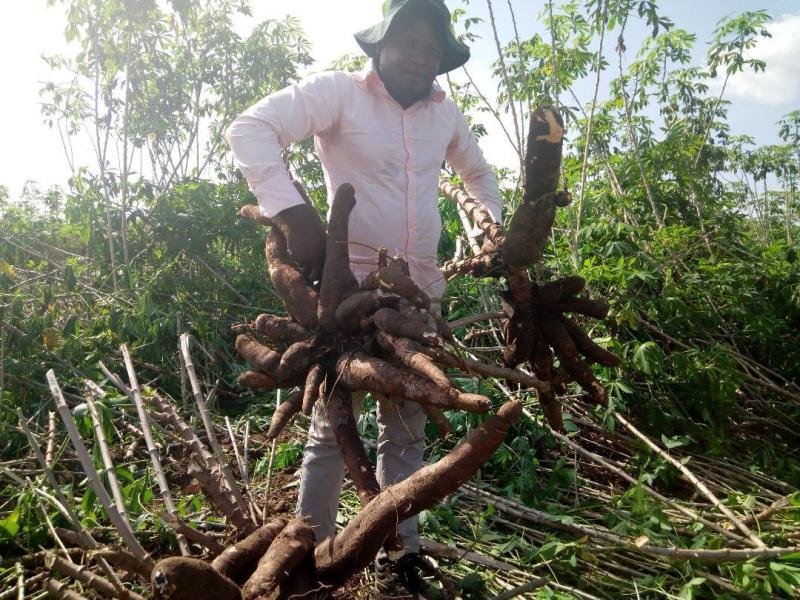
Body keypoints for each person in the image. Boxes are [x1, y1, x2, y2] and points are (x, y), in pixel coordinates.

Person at [226, 0, 502, 595]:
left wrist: (488, 229)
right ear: (380, 46)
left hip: (417, 297)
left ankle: (401, 551)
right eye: (408, 40)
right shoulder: (339, 94)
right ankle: (310, 551)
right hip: (344, 300)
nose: (421, 54)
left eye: (433, 46)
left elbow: (478, 177)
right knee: (332, 430)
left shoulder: (445, 116)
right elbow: (250, 128)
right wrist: (295, 214)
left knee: (406, 431)